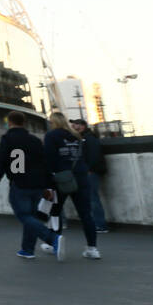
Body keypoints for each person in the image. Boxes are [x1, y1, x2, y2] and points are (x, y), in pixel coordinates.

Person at [0, 111, 62, 259]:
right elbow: (45, 163)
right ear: (24, 122)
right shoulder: (35, 140)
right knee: (31, 217)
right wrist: (49, 185)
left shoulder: (7, 139)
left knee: (24, 215)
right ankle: (27, 249)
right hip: (37, 183)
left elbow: (1, 161)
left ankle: (52, 238)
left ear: (9, 122)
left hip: (19, 182)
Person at [44, 111, 101, 261]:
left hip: (62, 178)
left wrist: (48, 183)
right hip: (81, 178)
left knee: (55, 211)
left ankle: (54, 243)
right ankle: (92, 248)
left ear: (53, 122)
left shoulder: (51, 136)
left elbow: (49, 161)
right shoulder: (77, 136)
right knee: (86, 214)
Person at [71, 118, 109, 233]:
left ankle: (100, 225)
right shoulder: (86, 137)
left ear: (82, 126)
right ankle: (98, 224)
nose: (73, 126)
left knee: (92, 198)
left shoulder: (88, 138)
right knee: (91, 197)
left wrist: (89, 169)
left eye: (76, 124)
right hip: (90, 171)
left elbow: (94, 155)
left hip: (91, 172)